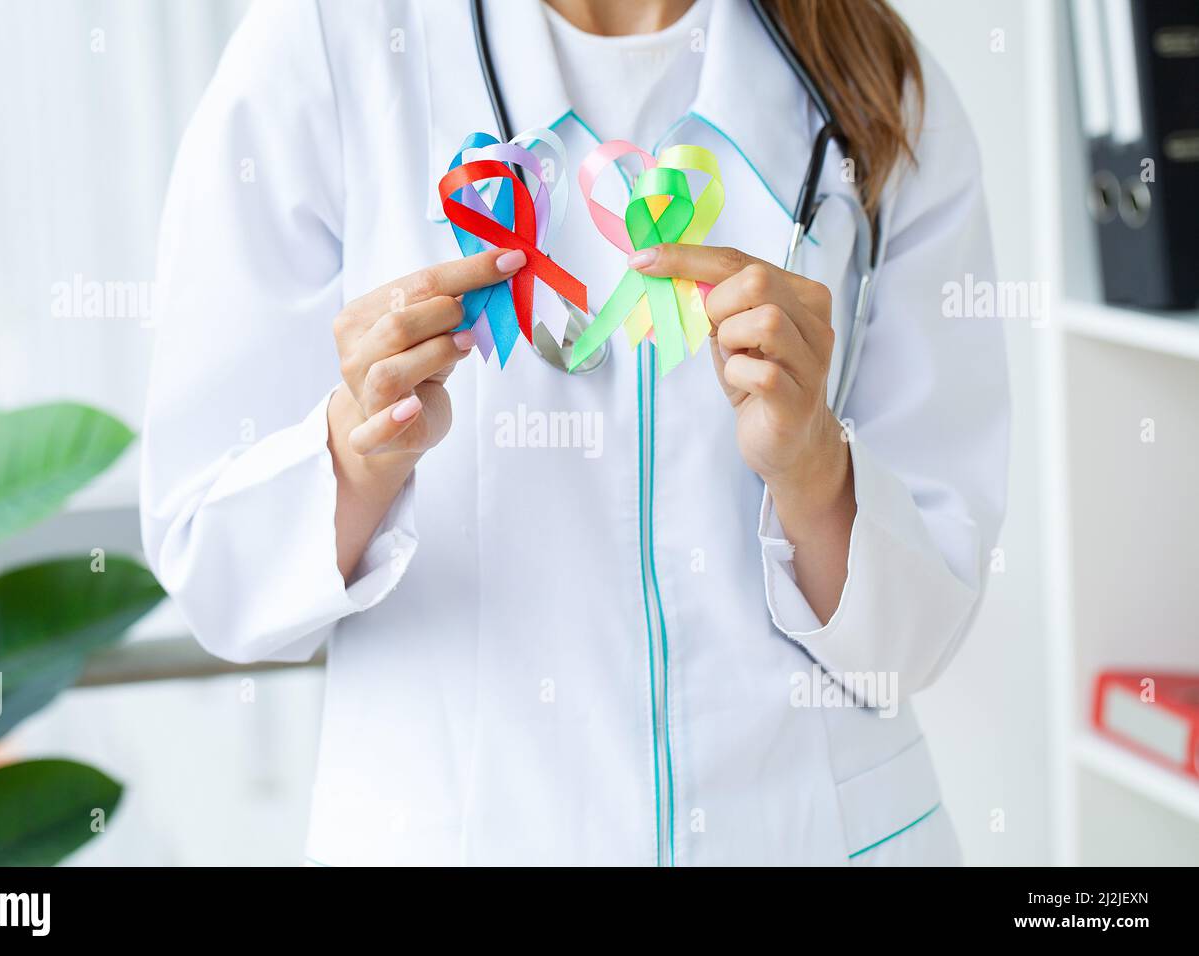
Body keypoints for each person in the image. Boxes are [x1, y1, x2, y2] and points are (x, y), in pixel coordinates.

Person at [140, 0, 1009, 865]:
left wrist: (815, 471)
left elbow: (919, 627)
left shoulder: (873, 74)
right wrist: (357, 455)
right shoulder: (331, 43)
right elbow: (213, 560)